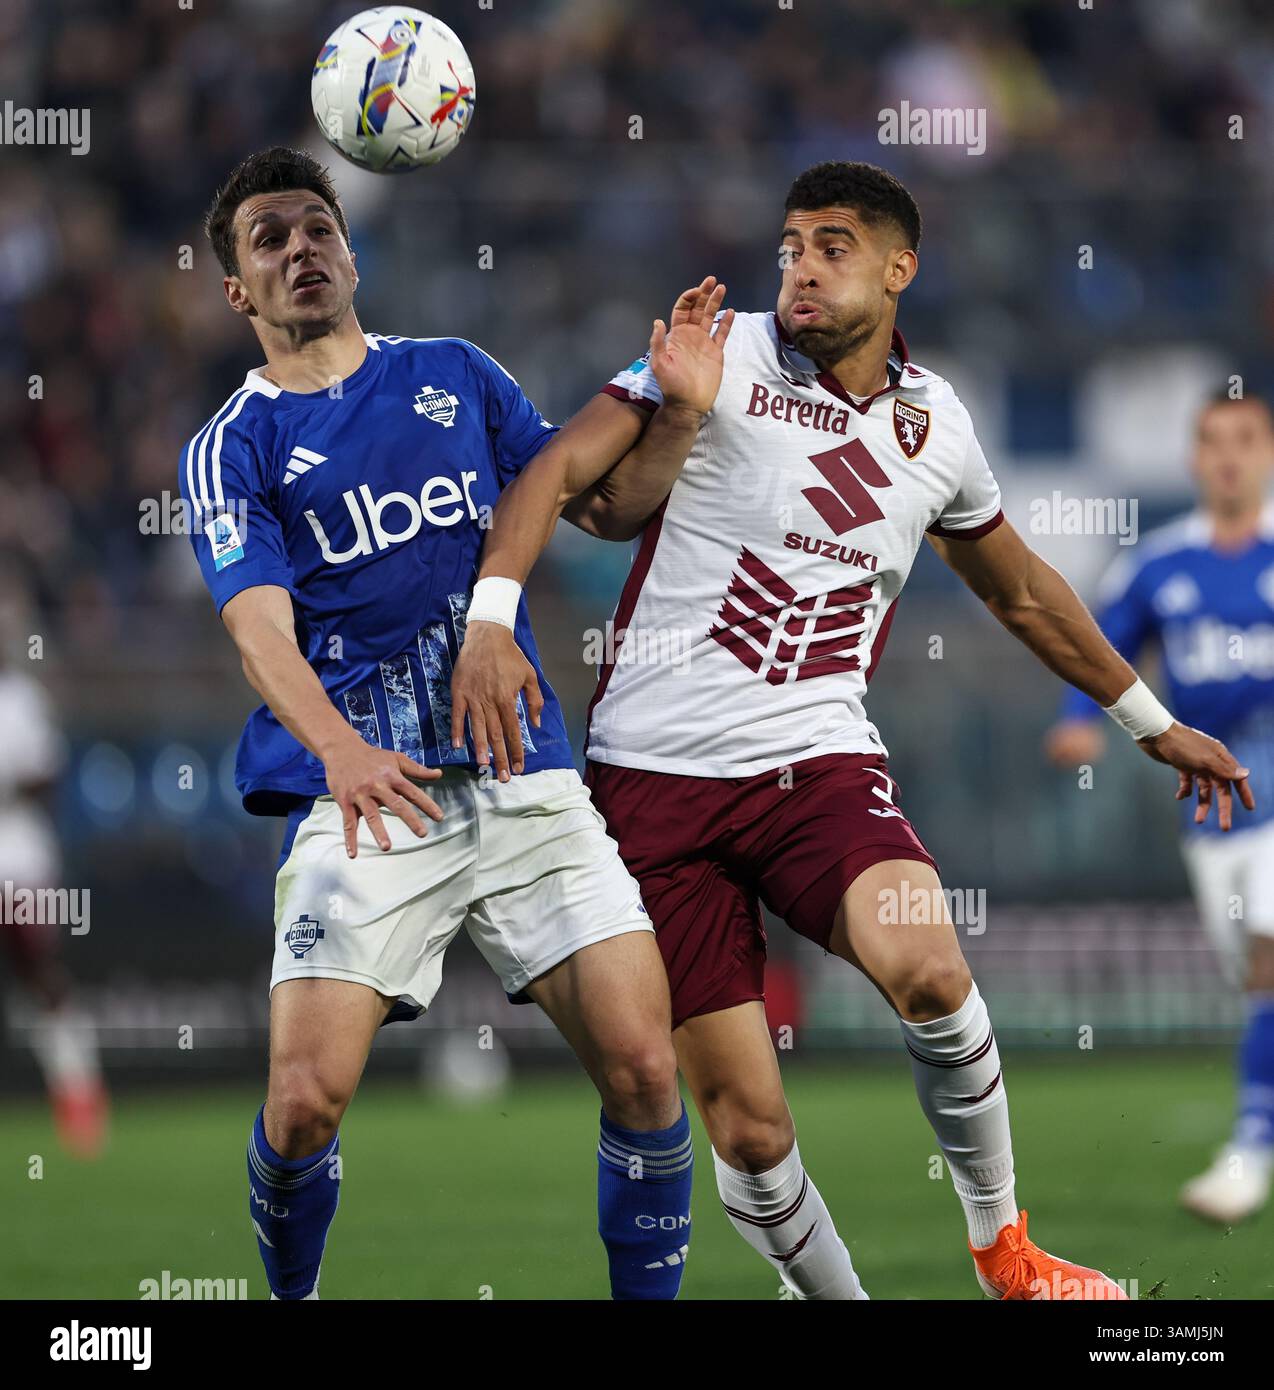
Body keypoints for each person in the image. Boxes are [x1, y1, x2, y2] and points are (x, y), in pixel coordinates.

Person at [451, 160, 1255, 1300]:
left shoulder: (937, 428)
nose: (802, 267)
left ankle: (1005, 1256)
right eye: (789, 245)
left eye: (831, 245)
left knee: (930, 968)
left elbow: (1019, 590)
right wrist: (494, 613)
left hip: (814, 764)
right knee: (748, 1128)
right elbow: (568, 476)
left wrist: (1146, 719)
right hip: (648, 787)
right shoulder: (711, 349)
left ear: (897, 267)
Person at [180, 146, 733, 1300]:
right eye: (268, 239)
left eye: (316, 227)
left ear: (351, 245)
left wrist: (674, 418)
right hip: (369, 797)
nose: (301, 250)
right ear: (237, 290)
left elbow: (601, 506)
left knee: (643, 1065)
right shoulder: (234, 445)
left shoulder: (456, 374)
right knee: (300, 1103)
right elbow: (259, 632)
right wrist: (338, 750)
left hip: (522, 775)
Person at [1046, 390, 1274, 1224]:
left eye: (1245, 440)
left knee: (1268, 952)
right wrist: (1080, 725)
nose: (1228, 457)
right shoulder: (1159, 564)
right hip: (1212, 812)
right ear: (1193, 458)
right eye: (1213, 441)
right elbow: (1104, 648)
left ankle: (1250, 1149)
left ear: (1269, 452)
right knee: (1257, 979)